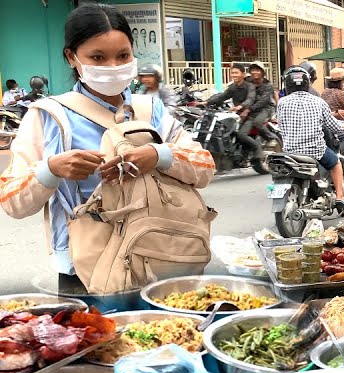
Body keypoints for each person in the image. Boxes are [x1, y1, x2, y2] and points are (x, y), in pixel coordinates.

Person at [0, 3, 213, 287]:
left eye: (123, 55)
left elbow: (204, 167)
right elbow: (12, 202)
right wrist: (52, 169)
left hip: (162, 257)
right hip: (88, 271)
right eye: (97, 57)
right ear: (71, 57)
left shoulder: (151, 110)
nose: (113, 67)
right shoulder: (49, 116)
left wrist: (158, 154)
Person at [277, 65, 344, 213]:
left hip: (290, 153)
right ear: (307, 83)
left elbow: (281, 126)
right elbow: (333, 126)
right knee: (335, 163)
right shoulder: (318, 101)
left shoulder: (282, 102)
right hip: (315, 151)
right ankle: (340, 196)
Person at [240, 61, 275, 159]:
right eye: (253, 70)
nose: (255, 72)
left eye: (257, 70)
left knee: (257, 123)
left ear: (262, 72)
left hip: (265, 108)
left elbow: (263, 101)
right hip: (251, 109)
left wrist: (248, 109)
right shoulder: (247, 81)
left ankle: (271, 138)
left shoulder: (268, 85)